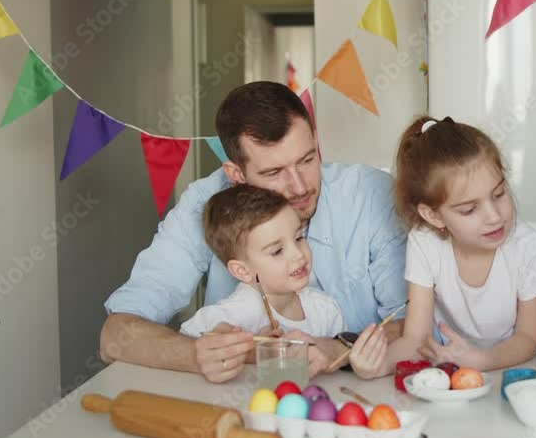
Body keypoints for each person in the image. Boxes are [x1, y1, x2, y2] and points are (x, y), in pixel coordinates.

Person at [100, 81, 407, 383]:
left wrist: (336, 348)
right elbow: (115, 335)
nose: (300, 187)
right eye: (274, 173)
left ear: (315, 141)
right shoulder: (204, 205)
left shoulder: (371, 195)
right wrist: (195, 354)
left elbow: (416, 325)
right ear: (235, 175)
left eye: (307, 159)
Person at [347, 116, 536, 379]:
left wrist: (483, 359)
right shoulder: (425, 243)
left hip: (519, 365)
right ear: (433, 216)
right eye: (470, 209)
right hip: (462, 368)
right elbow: (416, 338)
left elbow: (528, 337)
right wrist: (378, 366)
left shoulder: (527, 246)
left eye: (499, 194)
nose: (494, 216)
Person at [178, 184, 344, 340]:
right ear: (242, 271)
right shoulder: (233, 315)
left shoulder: (325, 309)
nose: (298, 254)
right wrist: (226, 346)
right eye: (277, 251)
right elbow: (185, 347)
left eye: (299, 238)